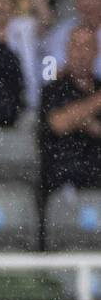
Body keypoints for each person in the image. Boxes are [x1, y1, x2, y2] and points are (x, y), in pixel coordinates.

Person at [40, 24, 101, 195]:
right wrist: (96, 104)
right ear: (67, 50)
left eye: (87, 46)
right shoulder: (53, 88)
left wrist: (77, 117)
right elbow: (59, 123)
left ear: (96, 51)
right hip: (63, 181)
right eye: (75, 46)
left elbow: (69, 119)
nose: (81, 53)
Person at [43, 0, 101, 80]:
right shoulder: (61, 32)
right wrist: (71, 67)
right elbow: (48, 74)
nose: (84, 4)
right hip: (69, 92)